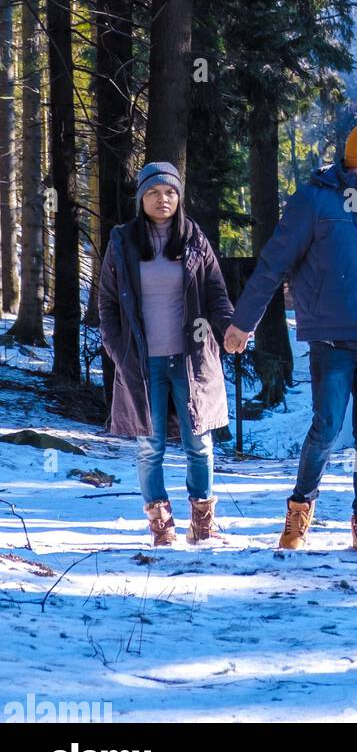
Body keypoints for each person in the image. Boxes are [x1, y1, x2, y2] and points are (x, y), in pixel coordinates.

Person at [225, 122, 357, 554]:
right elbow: (272, 264)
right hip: (333, 343)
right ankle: (300, 510)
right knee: (326, 428)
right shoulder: (315, 201)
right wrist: (245, 323)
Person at [98, 161, 235, 547]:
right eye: (155, 193)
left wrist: (231, 330)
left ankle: (202, 521)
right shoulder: (122, 242)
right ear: (142, 197)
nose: (163, 199)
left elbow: (216, 296)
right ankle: (161, 525)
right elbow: (107, 304)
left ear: (179, 197)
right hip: (142, 363)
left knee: (199, 441)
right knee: (150, 444)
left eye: (170, 192)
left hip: (191, 359)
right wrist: (117, 349)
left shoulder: (194, 239)